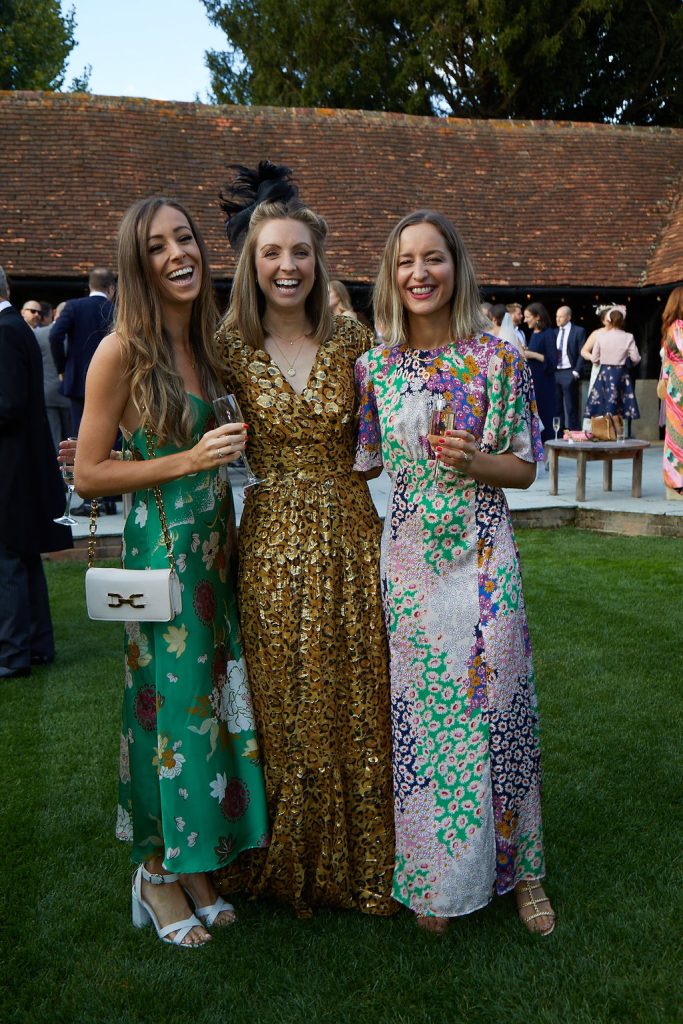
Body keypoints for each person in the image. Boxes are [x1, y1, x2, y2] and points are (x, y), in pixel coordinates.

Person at [73, 197, 268, 947]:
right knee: (169, 717)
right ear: (137, 263)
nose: (177, 253)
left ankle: (195, 869)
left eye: (184, 238)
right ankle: (155, 876)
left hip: (215, 554)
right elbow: (89, 473)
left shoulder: (210, 343)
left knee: (210, 713)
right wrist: (188, 458)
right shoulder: (121, 350)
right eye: (157, 247)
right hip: (162, 560)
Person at [354, 210, 554, 937]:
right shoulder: (371, 367)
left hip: (482, 554)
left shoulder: (496, 360)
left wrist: (474, 462)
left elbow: (525, 469)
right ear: (390, 273)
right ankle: (437, 874)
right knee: (425, 720)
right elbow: (364, 459)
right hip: (408, 561)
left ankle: (523, 872)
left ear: (454, 268)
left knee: (501, 708)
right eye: (405, 261)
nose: (419, 273)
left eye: (432, 259)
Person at [214, 162, 395, 919]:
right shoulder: (226, 347)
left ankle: (366, 860)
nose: (286, 267)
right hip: (267, 545)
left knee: (358, 695)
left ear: (317, 262)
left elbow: (390, 427)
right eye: (271, 254)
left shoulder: (355, 336)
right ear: (251, 267)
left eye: (299, 253)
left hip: (352, 535)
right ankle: (283, 857)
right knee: (281, 698)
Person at [0, 267, 72, 678]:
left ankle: (12, 653)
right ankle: (38, 643)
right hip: (21, 464)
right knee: (23, 556)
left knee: (8, 557)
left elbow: (7, 403)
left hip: (11, 467)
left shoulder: (6, 331)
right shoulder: (14, 327)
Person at [50, 266, 115, 436]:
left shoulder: (73, 306)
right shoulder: (117, 310)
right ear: (111, 288)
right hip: (112, 380)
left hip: (78, 377)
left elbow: (55, 335)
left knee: (78, 432)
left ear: (90, 286)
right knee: (110, 431)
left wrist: (62, 367)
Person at [584, 305, 640, 428]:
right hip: (621, 374)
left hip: (605, 374)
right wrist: (628, 363)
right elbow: (636, 358)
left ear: (609, 320)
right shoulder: (628, 336)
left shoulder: (601, 336)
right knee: (620, 407)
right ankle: (620, 434)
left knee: (604, 405)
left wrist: (602, 359)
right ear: (622, 321)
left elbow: (594, 358)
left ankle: (605, 433)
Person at [34, 301, 71, 451]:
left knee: (53, 436)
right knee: (71, 436)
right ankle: (68, 470)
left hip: (47, 391)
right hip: (68, 391)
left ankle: (54, 470)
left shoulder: (38, 334)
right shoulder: (73, 336)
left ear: (55, 313)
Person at [522, 302, 557, 450]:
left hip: (544, 383)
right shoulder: (534, 334)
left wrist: (531, 354)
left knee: (545, 414)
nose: (525, 320)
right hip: (534, 381)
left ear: (537, 317)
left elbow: (552, 361)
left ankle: (548, 451)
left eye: (528, 317)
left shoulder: (548, 334)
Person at [659, 287, 683, 497]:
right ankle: (678, 480)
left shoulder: (670, 328)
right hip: (681, 382)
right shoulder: (680, 327)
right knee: (678, 432)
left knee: (675, 432)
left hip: (674, 382)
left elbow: (666, 361)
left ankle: (674, 478)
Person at [553, 305, 586, 431]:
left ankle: (574, 434)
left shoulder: (578, 331)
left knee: (571, 407)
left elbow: (581, 352)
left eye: (560, 316)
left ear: (568, 317)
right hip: (555, 372)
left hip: (569, 371)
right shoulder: (553, 332)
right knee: (556, 407)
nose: (557, 319)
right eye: (556, 316)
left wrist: (576, 372)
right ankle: (558, 435)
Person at [580, 305, 611, 431]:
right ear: (603, 320)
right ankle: (593, 430)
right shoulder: (597, 333)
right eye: (609, 318)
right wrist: (593, 357)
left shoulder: (621, 334)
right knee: (596, 399)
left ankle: (612, 430)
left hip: (613, 369)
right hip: (598, 369)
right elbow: (584, 351)